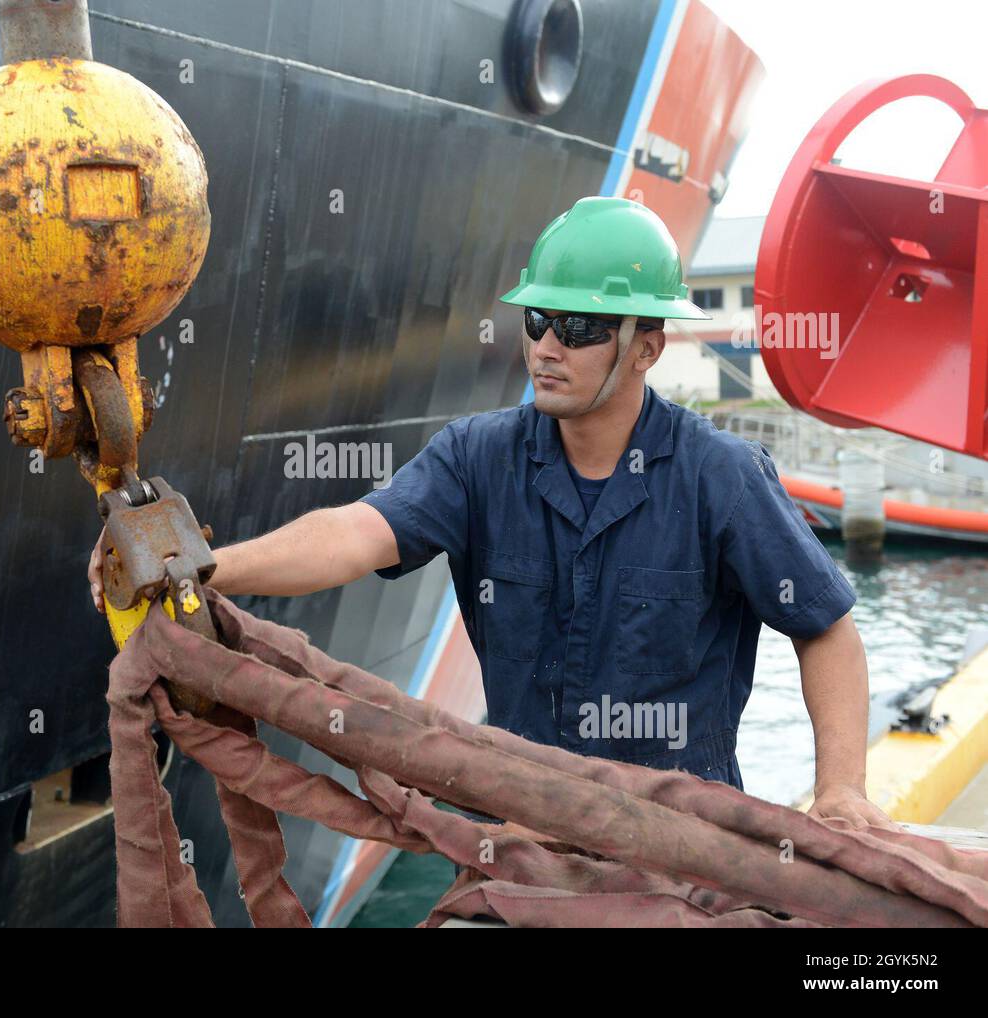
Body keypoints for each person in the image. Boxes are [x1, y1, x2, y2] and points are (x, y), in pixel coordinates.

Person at [89, 196, 894, 830]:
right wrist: (200, 563)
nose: (546, 345)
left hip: (682, 845)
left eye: (578, 328)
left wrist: (841, 792)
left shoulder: (721, 477)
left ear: (647, 346)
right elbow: (352, 535)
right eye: (538, 320)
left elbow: (823, 627)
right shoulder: (478, 458)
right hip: (517, 834)